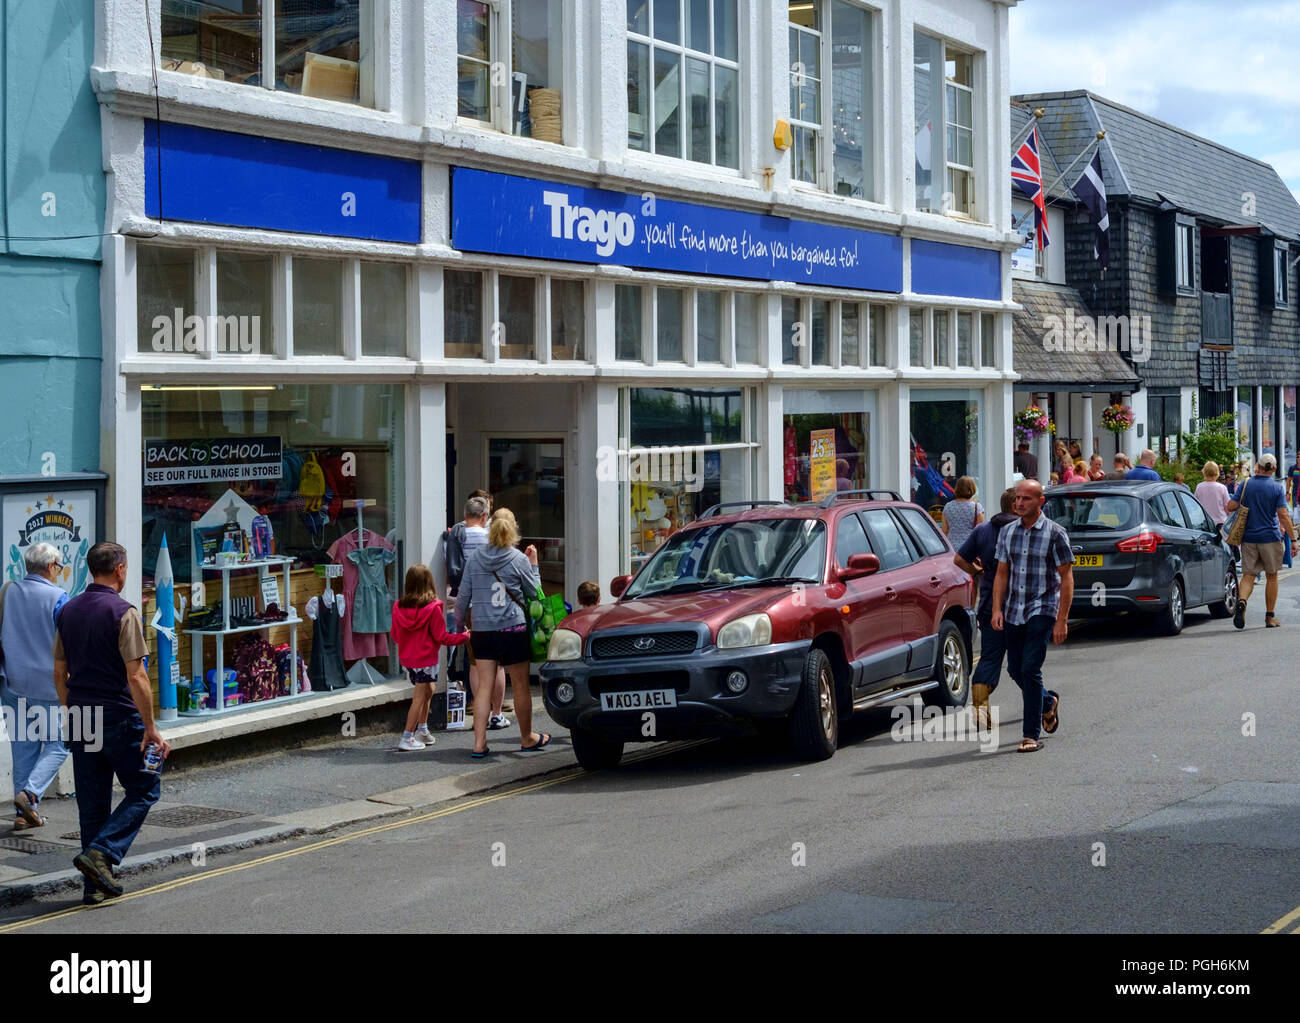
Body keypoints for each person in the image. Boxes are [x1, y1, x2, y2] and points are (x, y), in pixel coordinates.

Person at [54, 542, 169, 905]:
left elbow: (59, 671)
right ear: (120, 569)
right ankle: (102, 853)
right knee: (145, 789)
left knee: (92, 806)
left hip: (80, 717)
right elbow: (136, 676)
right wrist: (151, 727)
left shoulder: (68, 610)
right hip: (118, 717)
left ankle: (94, 885)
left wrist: (71, 707)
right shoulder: (124, 612)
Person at [454, 508, 550, 758]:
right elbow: (535, 595)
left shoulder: (475, 558)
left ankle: (479, 743)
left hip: (482, 630)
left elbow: (463, 598)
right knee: (520, 686)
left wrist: (458, 630)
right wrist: (534, 566)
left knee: (484, 687)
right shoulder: (518, 559)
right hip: (513, 629)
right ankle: (527, 738)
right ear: (513, 529)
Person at [991, 479, 1073, 753]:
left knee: (1029, 669)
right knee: (1014, 669)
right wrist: (996, 608)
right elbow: (1002, 572)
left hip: (1043, 606)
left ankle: (1030, 735)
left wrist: (1062, 619)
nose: (1019, 503)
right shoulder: (1007, 532)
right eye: (1017, 498)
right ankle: (1048, 703)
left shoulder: (1055, 533)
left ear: (1041, 502)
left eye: (1026, 498)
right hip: (1014, 608)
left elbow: (1066, 577)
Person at [0, 543, 71, 830]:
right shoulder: (59, 597)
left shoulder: (8, 591)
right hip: (47, 685)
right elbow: (68, 643)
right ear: (51, 567)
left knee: (23, 747)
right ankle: (29, 796)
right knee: (60, 743)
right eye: (60, 566)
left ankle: (23, 815)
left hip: (13, 681)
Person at [953, 487, 1018, 730]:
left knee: (990, 656)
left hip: (991, 603)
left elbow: (959, 559)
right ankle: (1043, 703)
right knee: (1023, 662)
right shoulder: (1023, 530)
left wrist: (978, 571)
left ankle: (981, 710)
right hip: (1021, 605)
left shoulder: (983, 530)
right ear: (1016, 506)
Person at [391, 564, 469, 751]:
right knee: (419, 697)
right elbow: (441, 637)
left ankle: (423, 730)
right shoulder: (433, 608)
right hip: (426, 660)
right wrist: (464, 637)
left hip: (409, 660)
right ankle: (407, 737)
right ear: (429, 583)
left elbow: (395, 635)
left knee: (429, 690)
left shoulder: (398, 606)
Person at [1225, 454, 1297, 629]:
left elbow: (1230, 506)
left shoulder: (1246, 484)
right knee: (1272, 576)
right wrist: (1293, 539)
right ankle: (1270, 617)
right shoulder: (1276, 488)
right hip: (1270, 538)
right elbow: (1283, 515)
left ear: (1258, 466)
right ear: (1273, 468)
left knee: (1248, 575)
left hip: (1249, 538)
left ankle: (1241, 602)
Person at [941, 476, 984, 551]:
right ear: (972, 489)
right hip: (970, 548)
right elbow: (980, 533)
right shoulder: (977, 507)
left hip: (951, 548)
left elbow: (945, 531)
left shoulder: (948, 507)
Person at [1194, 461, 1232, 532]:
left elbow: (1196, 505)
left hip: (1204, 523)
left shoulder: (1199, 487)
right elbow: (1228, 508)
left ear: (1204, 472)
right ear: (1217, 473)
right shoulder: (1222, 488)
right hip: (1220, 524)